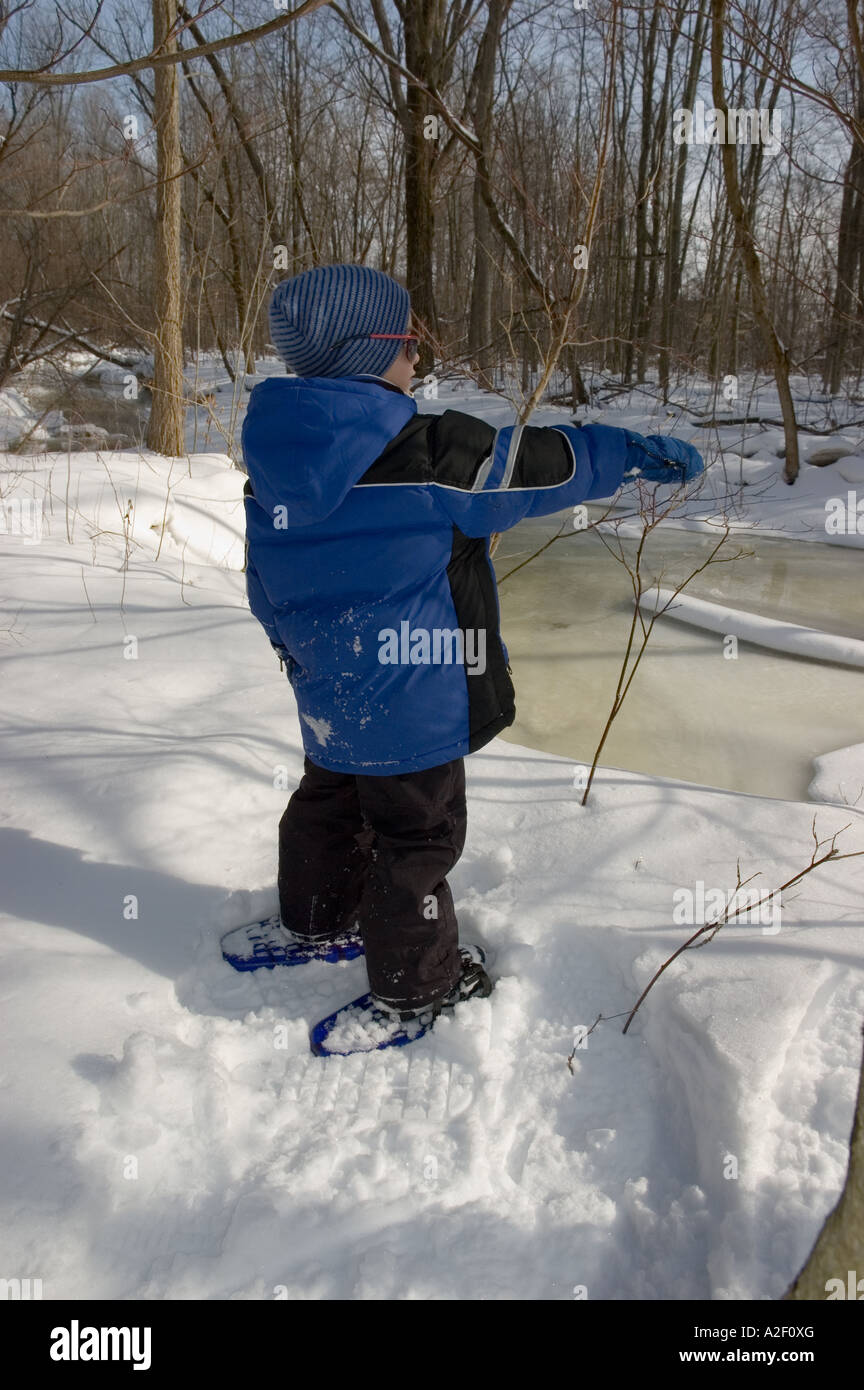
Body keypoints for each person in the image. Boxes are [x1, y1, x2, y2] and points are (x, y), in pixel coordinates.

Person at [241, 263, 703, 1041]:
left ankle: (313, 918)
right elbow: (543, 466)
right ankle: (416, 985)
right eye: (407, 342)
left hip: (329, 687)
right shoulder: (428, 449)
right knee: (418, 839)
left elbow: (262, 580)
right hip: (417, 700)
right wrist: (624, 451)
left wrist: (298, 654)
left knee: (327, 800)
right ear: (368, 354)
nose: (417, 358)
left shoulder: (272, 462)